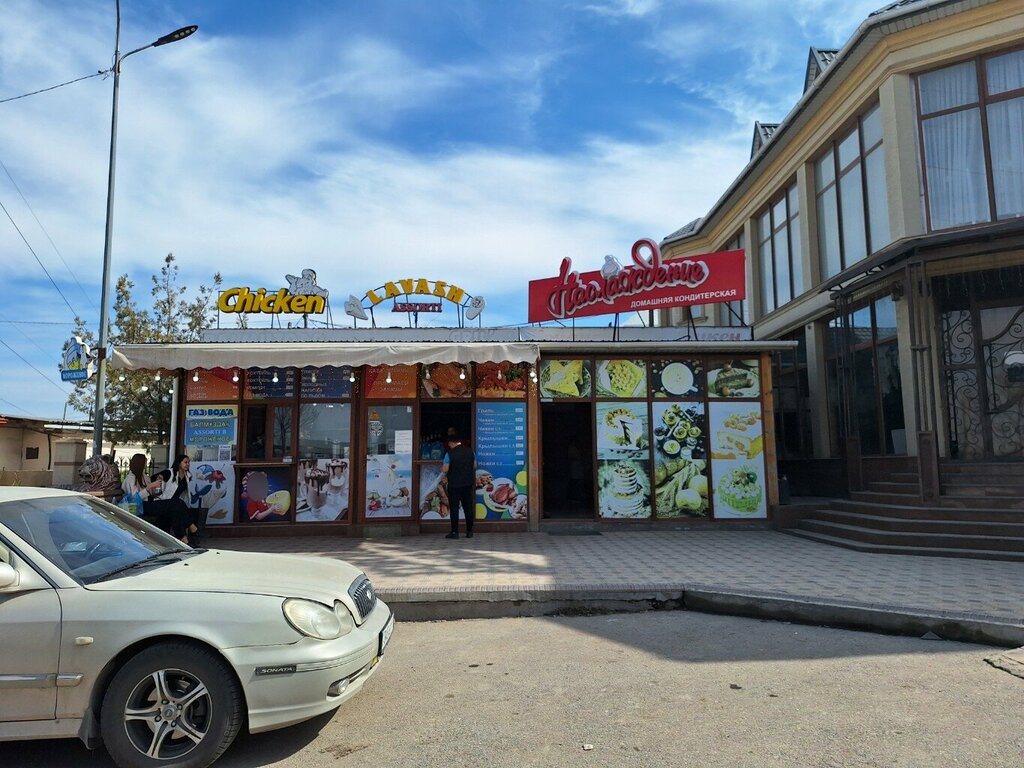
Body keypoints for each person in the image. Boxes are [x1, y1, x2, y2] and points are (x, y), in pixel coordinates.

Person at [151, 454, 201, 545]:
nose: (187, 464)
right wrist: (160, 478)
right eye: (185, 462)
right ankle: (192, 528)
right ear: (179, 463)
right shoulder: (170, 473)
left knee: (180, 512)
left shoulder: (187, 476)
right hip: (165, 501)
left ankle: (185, 540)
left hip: (177, 503)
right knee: (177, 506)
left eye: (189, 462)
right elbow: (155, 477)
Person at [441, 430, 476, 539]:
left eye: (449, 443)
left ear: (451, 443)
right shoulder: (470, 452)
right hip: (467, 483)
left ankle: (454, 532)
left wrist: (443, 468)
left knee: (454, 508)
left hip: (454, 484)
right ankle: (469, 531)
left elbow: (445, 469)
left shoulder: (449, 454)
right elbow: (474, 466)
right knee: (468, 507)